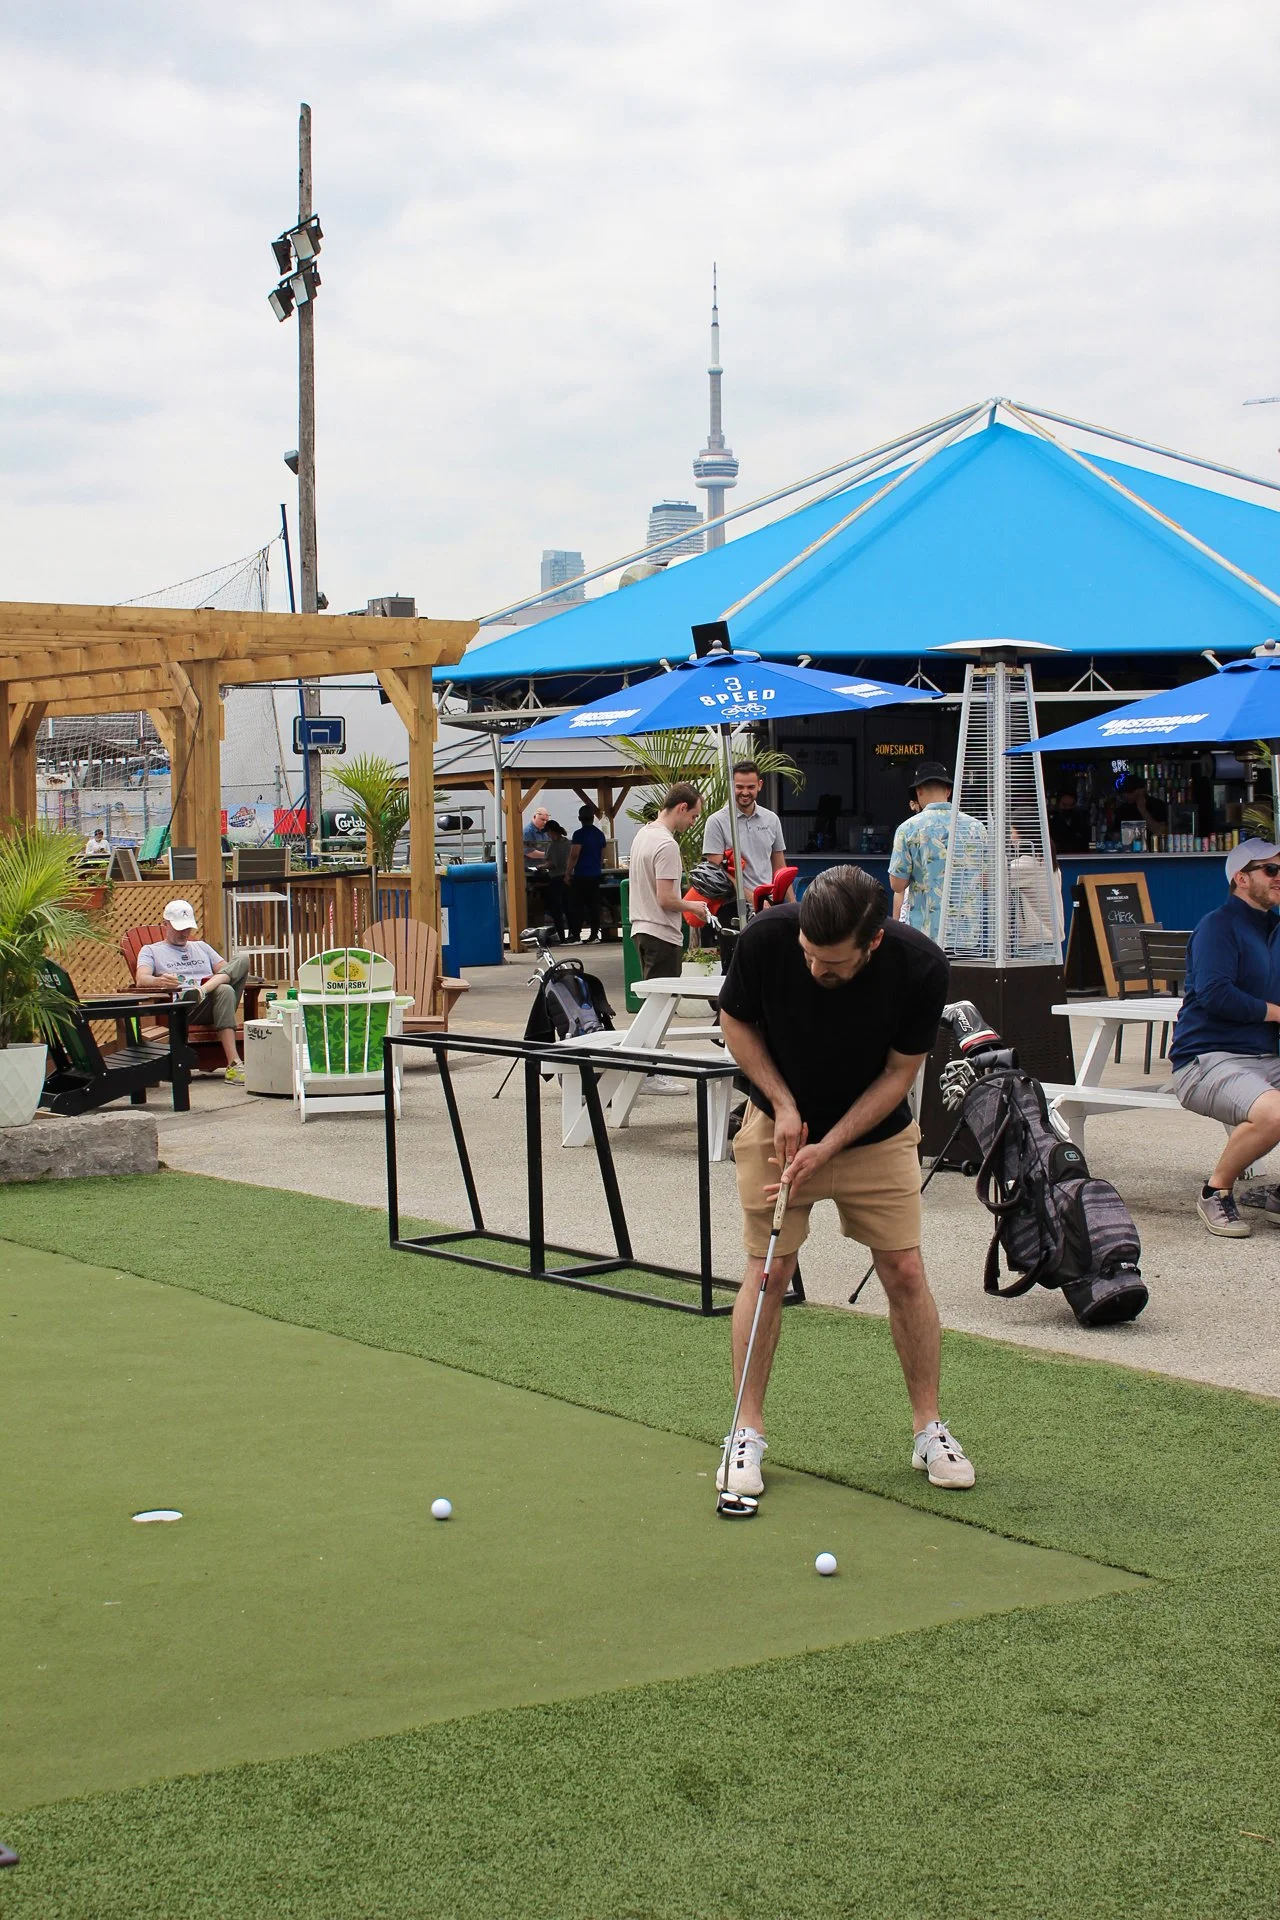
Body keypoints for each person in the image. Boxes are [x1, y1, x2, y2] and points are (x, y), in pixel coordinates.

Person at [716, 864, 975, 1494]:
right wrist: (782, 1104)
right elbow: (736, 1024)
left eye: (832, 964)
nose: (815, 971)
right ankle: (744, 1432)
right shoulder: (766, 939)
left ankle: (929, 1429)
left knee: (906, 1272)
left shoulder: (921, 966)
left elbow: (898, 1074)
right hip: (779, 1127)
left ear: (874, 942)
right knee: (769, 1271)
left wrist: (829, 1144)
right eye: (809, 956)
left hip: (875, 1137)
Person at [1170, 839, 1280, 1237]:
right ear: (1241, 877)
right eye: (1270, 870)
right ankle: (1215, 1192)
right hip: (1206, 1059)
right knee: (1275, 1113)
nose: (1279, 877)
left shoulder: (1276, 928)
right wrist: (1275, 1013)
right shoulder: (1218, 926)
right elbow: (1216, 994)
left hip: (1265, 1057)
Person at [627, 783, 708, 1096]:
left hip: (641, 928)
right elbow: (666, 898)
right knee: (660, 1007)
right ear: (682, 808)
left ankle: (647, 1068)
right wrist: (694, 905)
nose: (693, 823)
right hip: (661, 931)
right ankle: (648, 1073)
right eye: (694, 816)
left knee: (654, 1004)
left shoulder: (643, 835)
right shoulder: (667, 845)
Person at [135, 899, 250, 1084]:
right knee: (225, 989)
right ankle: (234, 1063)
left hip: (212, 1003)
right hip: (184, 1008)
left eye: (188, 928)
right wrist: (160, 981)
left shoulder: (201, 947)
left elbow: (228, 970)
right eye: (179, 928)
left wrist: (206, 988)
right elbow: (141, 979)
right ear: (165, 924)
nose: (185, 933)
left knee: (241, 961)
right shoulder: (150, 951)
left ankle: (203, 990)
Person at [888, 761, 987, 949]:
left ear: (919, 791)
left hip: (923, 934)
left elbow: (897, 884)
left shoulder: (907, 829)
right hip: (966, 934)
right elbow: (986, 880)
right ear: (948, 791)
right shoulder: (977, 828)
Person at [703, 762, 791, 907]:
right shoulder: (716, 822)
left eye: (750, 787)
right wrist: (752, 898)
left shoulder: (771, 819)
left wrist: (792, 905)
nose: (745, 792)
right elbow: (716, 872)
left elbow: (780, 867)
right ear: (731, 786)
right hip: (731, 905)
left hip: (768, 903)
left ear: (760, 785)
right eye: (739, 787)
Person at [566, 803, 607, 942]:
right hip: (595, 874)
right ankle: (594, 935)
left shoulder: (579, 835)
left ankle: (576, 934)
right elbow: (602, 856)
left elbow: (574, 855)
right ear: (593, 818)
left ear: (579, 818)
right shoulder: (599, 834)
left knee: (577, 906)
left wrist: (567, 873)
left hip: (581, 874)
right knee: (594, 906)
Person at [541, 821, 571, 939]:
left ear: (551, 832)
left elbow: (552, 864)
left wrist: (540, 867)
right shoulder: (568, 843)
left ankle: (561, 935)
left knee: (556, 910)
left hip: (556, 879)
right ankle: (572, 934)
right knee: (568, 908)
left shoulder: (553, 845)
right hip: (568, 878)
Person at [1049, 789, 1091, 858]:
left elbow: (1085, 841)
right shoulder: (1052, 822)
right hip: (1058, 857)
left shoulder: (1081, 820)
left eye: (1071, 805)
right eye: (1065, 805)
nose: (1068, 808)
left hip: (1079, 857)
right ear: (1059, 805)